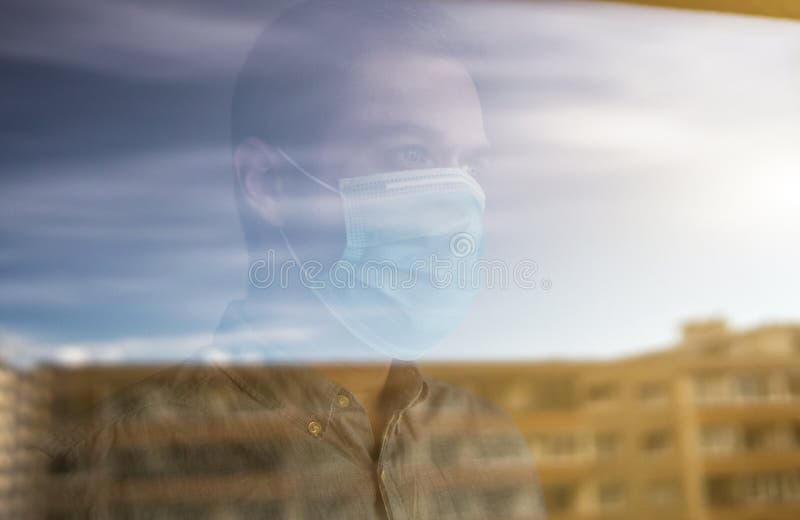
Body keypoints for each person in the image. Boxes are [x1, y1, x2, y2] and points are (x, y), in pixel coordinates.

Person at [43, 1, 546, 518]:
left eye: (470, 165)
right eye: (410, 153)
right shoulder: (113, 466)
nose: (457, 207)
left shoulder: (490, 446)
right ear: (269, 183)